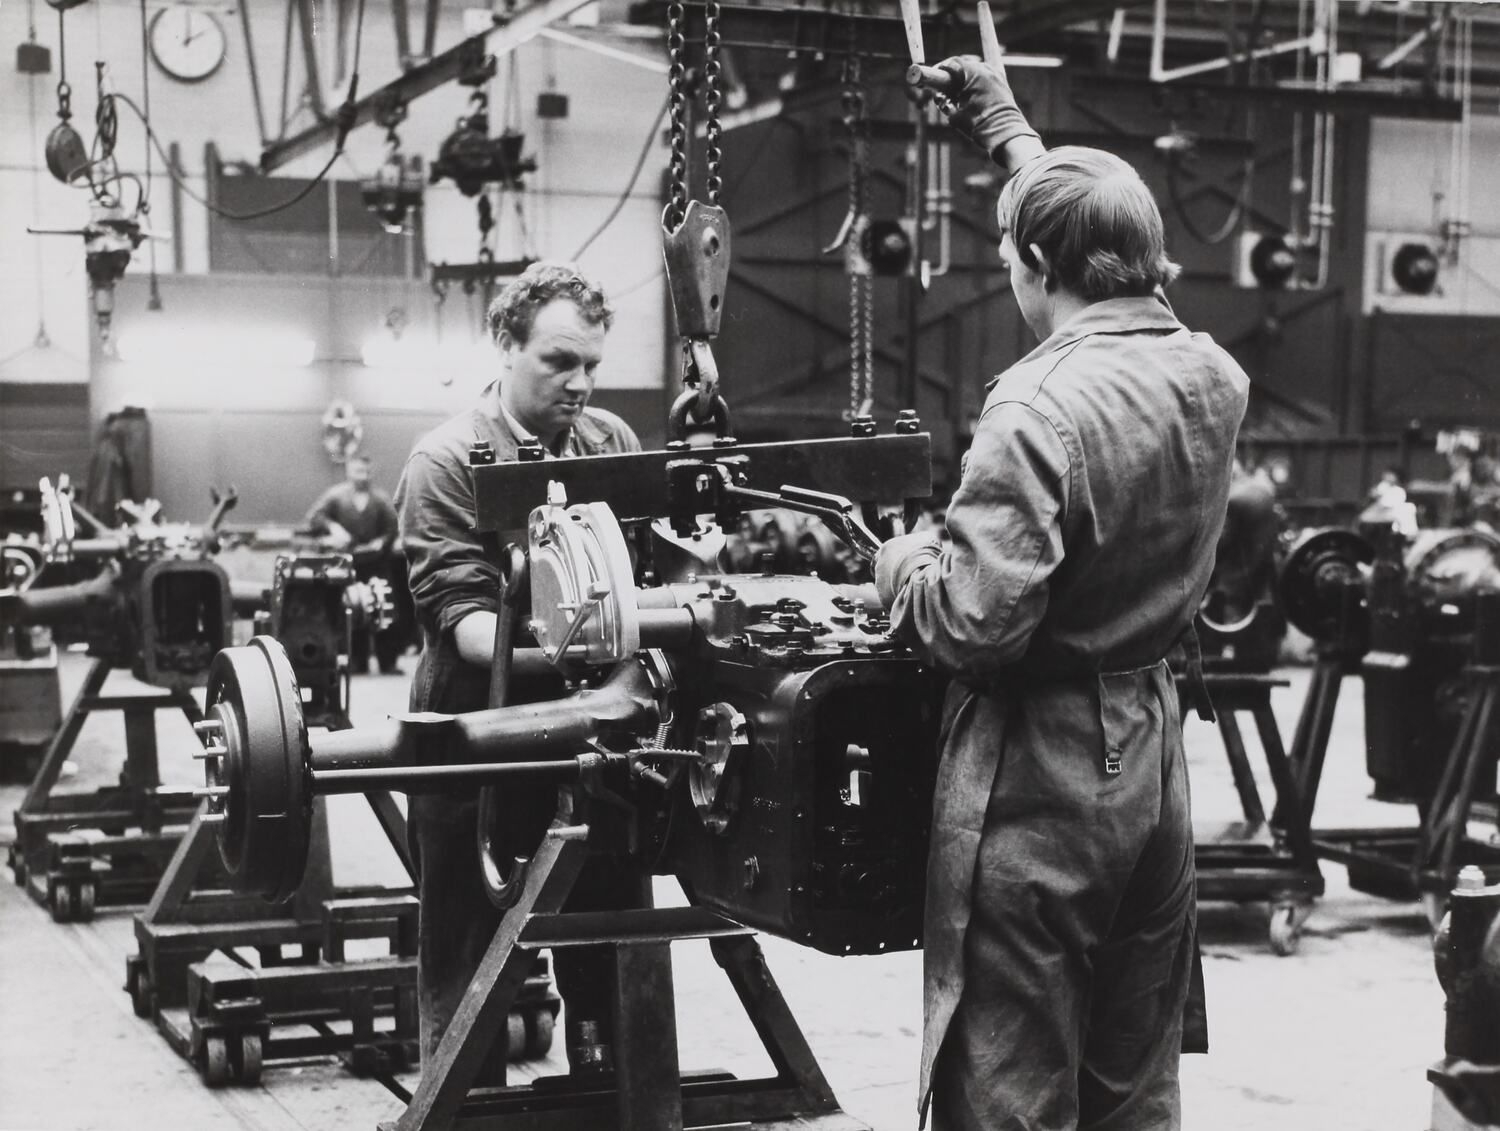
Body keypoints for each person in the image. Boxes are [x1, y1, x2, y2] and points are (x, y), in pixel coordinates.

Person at [875, 57, 1249, 1131]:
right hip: (1153, 764)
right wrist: (1003, 122)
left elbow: (977, 626)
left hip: (1041, 776)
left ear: (1041, 262)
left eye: (1009, 253)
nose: (1006, 272)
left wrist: (902, 565)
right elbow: (1089, 225)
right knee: (1133, 1083)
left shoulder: (1034, 406)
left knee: (1008, 1083)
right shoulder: (1210, 373)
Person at [393, 262, 646, 1078]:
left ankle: (610, 1094)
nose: (580, 383)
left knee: (611, 950)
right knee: (469, 963)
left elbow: (649, 575)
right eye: (559, 362)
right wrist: (620, 659)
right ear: (504, 344)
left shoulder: (611, 444)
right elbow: (472, 633)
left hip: (598, 744)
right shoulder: (444, 463)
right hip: (479, 747)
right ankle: (459, 1101)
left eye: (592, 366)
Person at [303, 453, 404, 673]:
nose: (363, 476)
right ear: (349, 471)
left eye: (366, 471)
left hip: (378, 565)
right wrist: (333, 528)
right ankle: (357, 663)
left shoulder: (380, 499)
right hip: (348, 568)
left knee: (385, 609)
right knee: (352, 611)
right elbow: (314, 518)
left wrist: (382, 542)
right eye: (358, 471)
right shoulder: (336, 496)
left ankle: (388, 662)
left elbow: (393, 527)